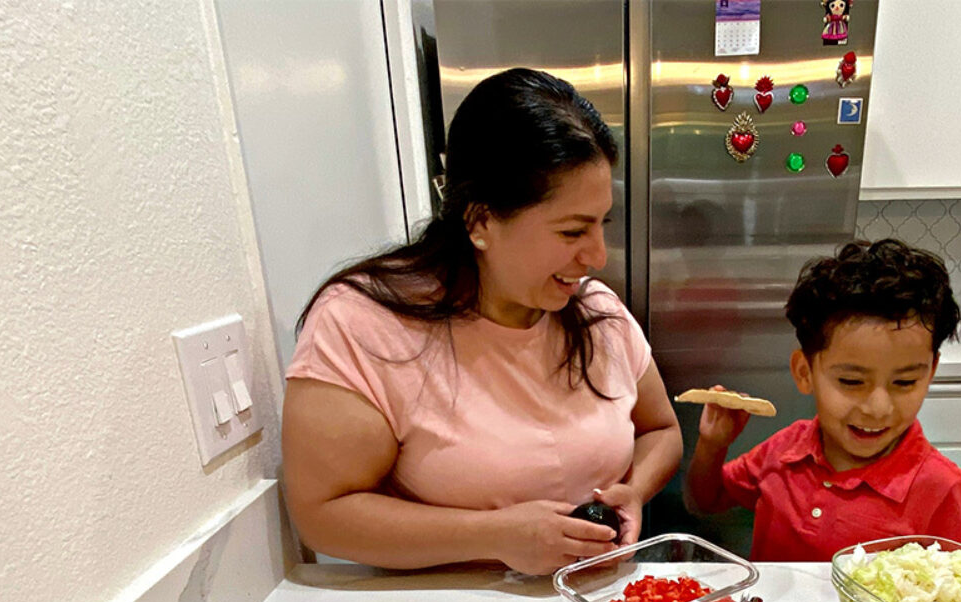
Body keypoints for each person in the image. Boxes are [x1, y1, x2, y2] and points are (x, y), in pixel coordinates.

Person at [282, 69, 681, 575]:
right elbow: (322, 516)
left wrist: (635, 490)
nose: (598, 257)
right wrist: (495, 535)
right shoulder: (363, 324)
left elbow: (661, 430)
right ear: (481, 221)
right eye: (571, 232)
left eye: (601, 224)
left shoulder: (596, 313)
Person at [684, 239, 961, 561]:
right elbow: (704, 502)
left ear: (931, 371)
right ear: (805, 372)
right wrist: (712, 445)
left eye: (905, 382)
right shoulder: (785, 451)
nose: (878, 408)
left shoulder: (941, 489)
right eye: (851, 382)